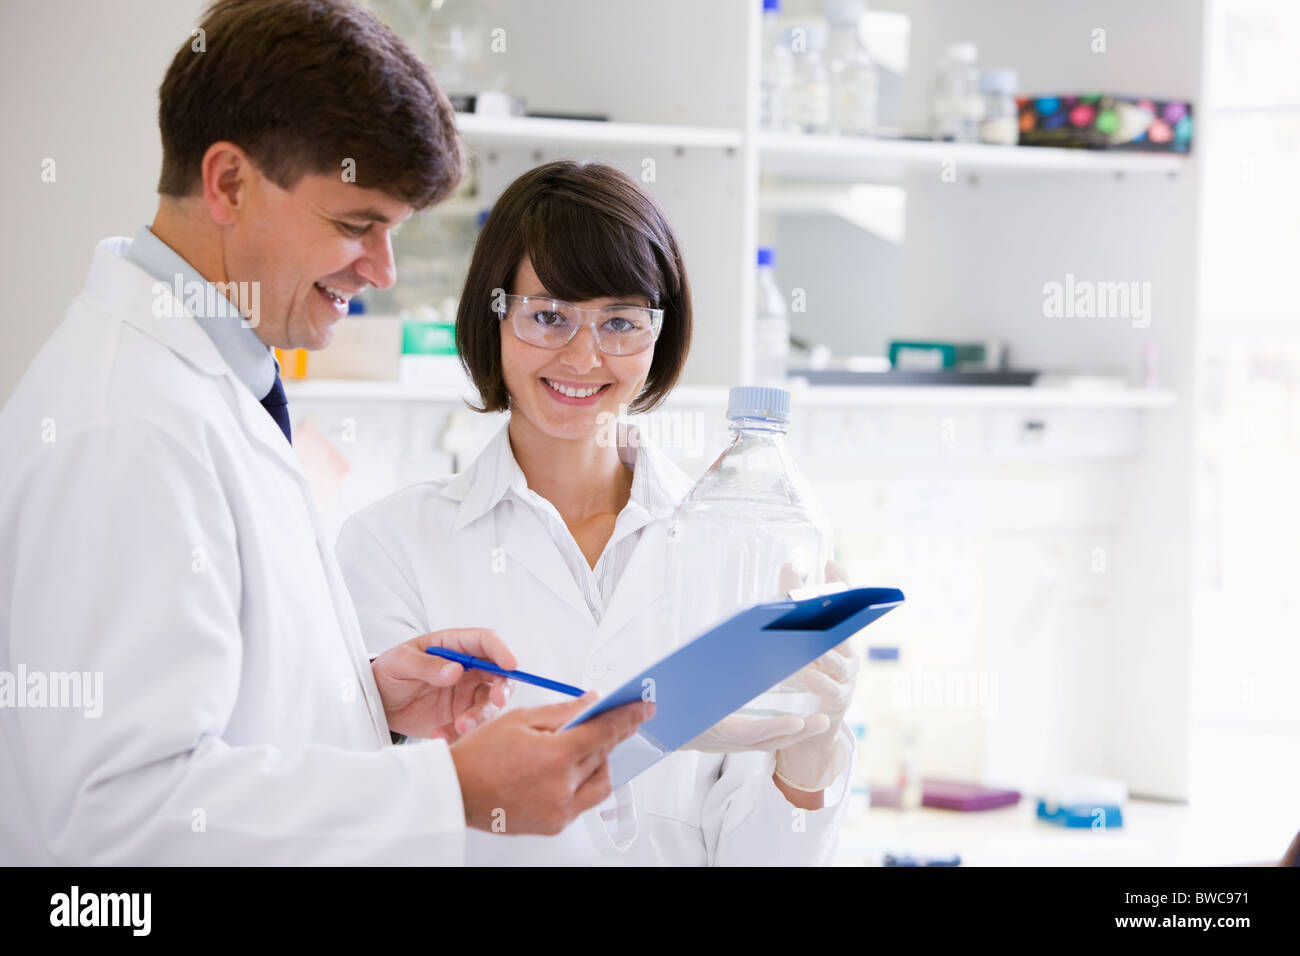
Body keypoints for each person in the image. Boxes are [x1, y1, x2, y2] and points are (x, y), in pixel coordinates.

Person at [0, 0, 649, 865]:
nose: (379, 271)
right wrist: (452, 790)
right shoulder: (128, 428)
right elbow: (116, 817)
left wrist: (357, 699)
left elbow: (205, 727)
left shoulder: (221, 377)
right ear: (229, 183)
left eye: (394, 233)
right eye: (355, 225)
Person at [337, 160, 859, 865]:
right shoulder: (390, 546)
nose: (584, 356)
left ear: (660, 332)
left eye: (621, 321)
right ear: (492, 317)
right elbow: (351, 820)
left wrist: (813, 747)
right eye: (548, 316)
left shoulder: (733, 543)